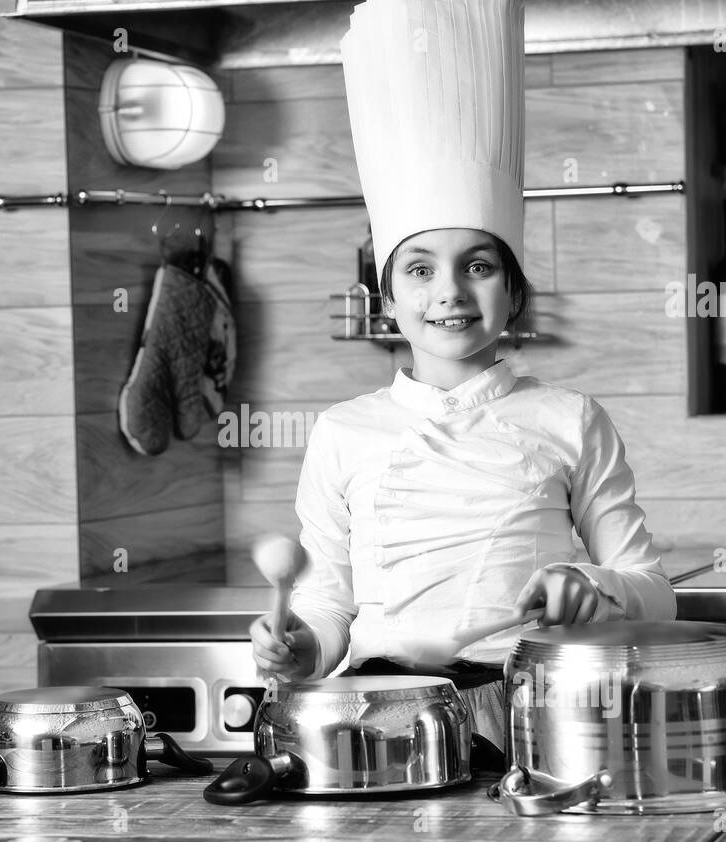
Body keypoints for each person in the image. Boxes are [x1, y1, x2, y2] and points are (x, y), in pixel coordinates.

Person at [247, 0, 676, 750]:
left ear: (513, 292)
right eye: (419, 269)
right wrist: (298, 648)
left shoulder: (570, 419)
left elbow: (655, 593)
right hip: (379, 724)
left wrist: (595, 586)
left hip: (539, 714)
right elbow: (326, 604)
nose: (448, 292)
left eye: (478, 266)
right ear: (389, 297)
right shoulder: (343, 431)